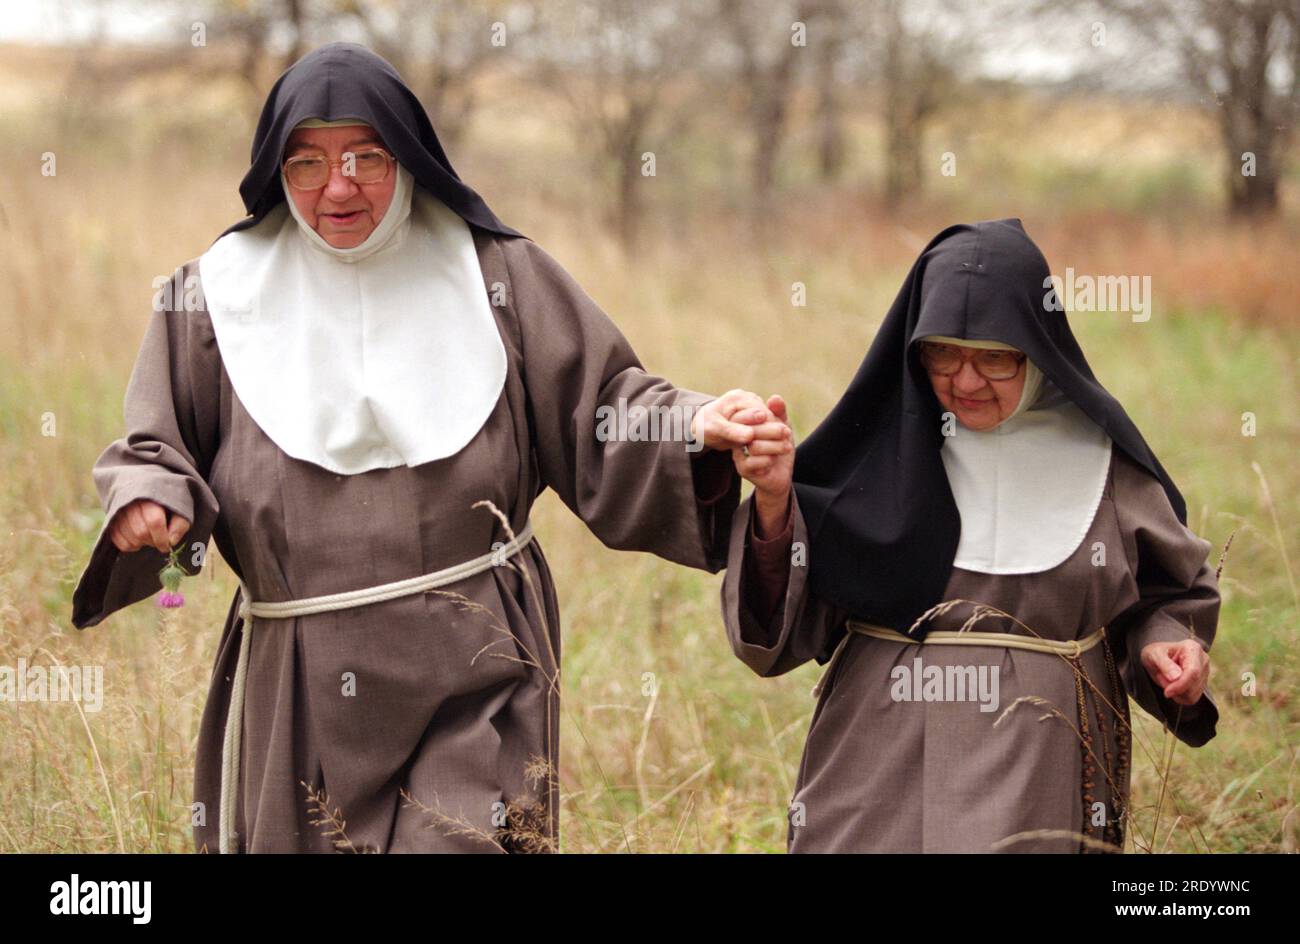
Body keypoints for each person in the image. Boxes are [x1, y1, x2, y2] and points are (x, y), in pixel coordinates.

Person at [70, 43, 791, 853]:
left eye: (365, 158)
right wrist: (147, 497)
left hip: (474, 664)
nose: (337, 187)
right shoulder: (211, 297)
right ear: (276, 170)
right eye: (306, 163)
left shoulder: (496, 275)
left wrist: (694, 424)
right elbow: (153, 443)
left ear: (408, 159)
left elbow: (603, 407)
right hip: (300, 682)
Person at [722, 218, 1220, 853]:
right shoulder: (873, 459)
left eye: (994, 357)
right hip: (875, 757)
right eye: (942, 352)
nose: (964, 381)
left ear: (1038, 350)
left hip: (1038, 760)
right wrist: (772, 504)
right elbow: (780, 633)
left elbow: (1165, 596)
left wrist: (1168, 644)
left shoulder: (1105, 468)